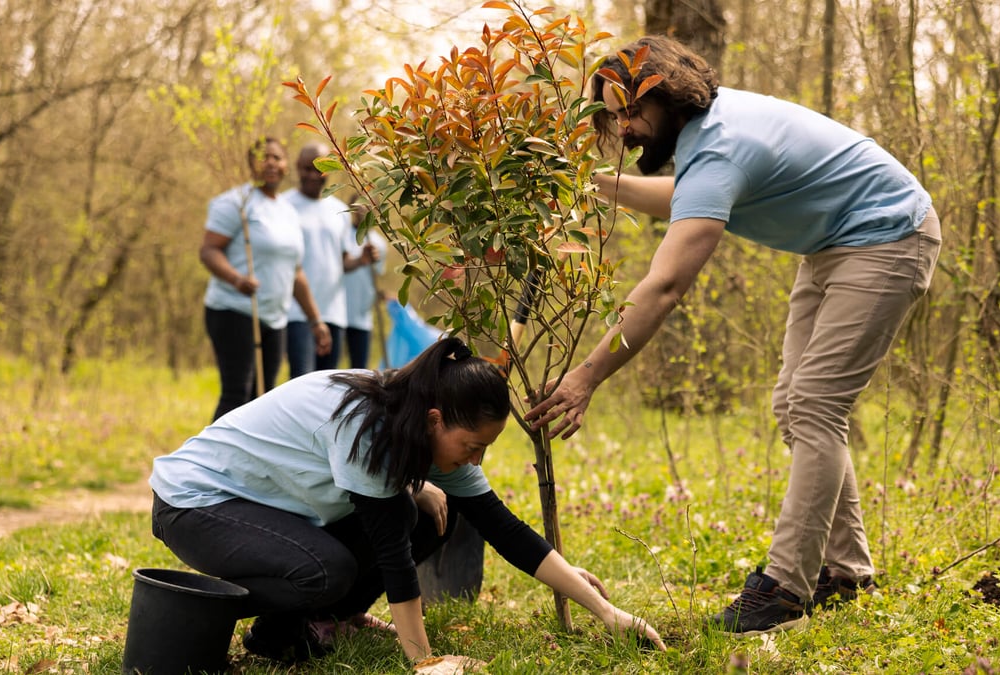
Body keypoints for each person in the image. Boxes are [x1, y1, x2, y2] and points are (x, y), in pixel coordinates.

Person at [526, 35, 942, 636]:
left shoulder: (720, 146)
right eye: (615, 115)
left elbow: (665, 285)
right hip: (836, 244)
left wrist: (587, 374)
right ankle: (847, 573)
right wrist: (592, 184)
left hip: (887, 236)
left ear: (669, 97)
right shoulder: (710, 135)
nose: (625, 128)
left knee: (815, 405)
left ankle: (784, 589)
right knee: (796, 404)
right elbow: (690, 196)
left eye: (632, 111)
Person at [148, 337, 666, 665]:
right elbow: (392, 557)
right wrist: (423, 662)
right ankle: (196, 608)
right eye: (473, 447)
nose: (476, 461)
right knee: (327, 570)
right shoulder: (365, 425)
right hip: (196, 502)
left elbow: (504, 528)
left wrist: (604, 610)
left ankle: (319, 622)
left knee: (430, 513)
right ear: (436, 419)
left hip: (265, 509)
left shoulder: (419, 420)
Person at [199, 137, 332, 420]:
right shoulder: (236, 203)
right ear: (251, 163)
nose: (270, 162)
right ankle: (207, 462)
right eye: (263, 157)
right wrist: (237, 279)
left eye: (277, 157)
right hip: (234, 310)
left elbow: (296, 272)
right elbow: (209, 250)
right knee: (238, 394)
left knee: (263, 398)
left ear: (286, 166)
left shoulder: (287, 210)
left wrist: (315, 320)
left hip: (274, 317)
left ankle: (249, 463)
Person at [284, 143, 381, 379]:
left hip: (334, 313)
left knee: (327, 387)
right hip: (297, 313)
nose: (312, 175)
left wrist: (361, 260)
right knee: (301, 382)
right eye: (306, 169)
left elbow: (342, 262)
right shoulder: (284, 205)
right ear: (297, 168)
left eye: (319, 169)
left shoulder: (338, 211)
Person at [343, 225, 388, 368]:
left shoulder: (378, 243)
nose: (360, 210)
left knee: (359, 368)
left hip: (362, 313)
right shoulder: (343, 234)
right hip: (337, 311)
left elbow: (378, 275)